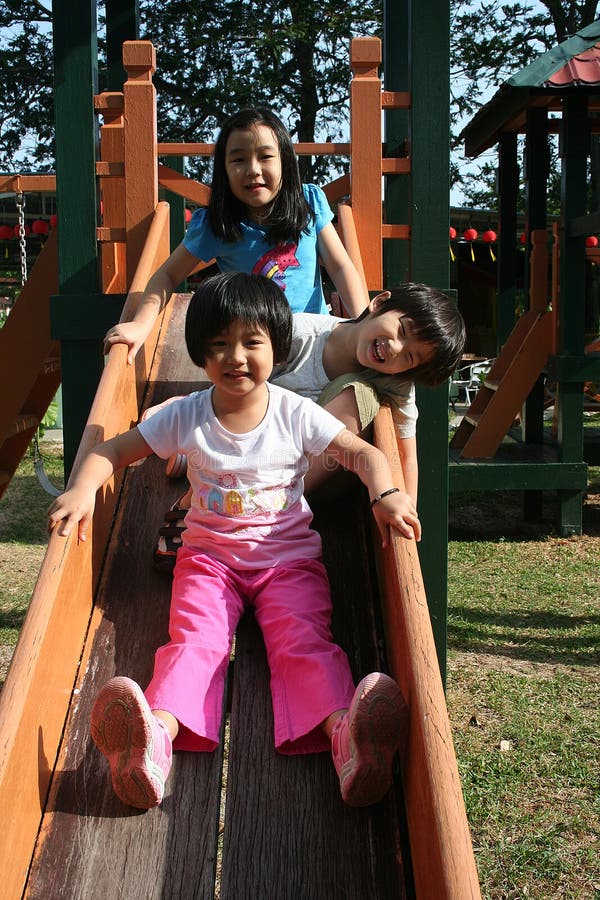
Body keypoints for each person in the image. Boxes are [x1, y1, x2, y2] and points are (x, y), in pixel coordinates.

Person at [48, 272, 415, 811]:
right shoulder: (187, 415)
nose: (235, 356)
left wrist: (386, 493)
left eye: (252, 342)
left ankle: (349, 742)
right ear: (199, 354)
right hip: (207, 563)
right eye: (218, 344)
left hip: (287, 563)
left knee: (304, 644)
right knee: (195, 644)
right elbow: (112, 450)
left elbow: (365, 454)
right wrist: (82, 490)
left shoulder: (295, 413)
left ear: (277, 347)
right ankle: (153, 743)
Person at [151, 282, 466, 571]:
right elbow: (236, 390)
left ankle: (266, 513)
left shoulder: (394, 382)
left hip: (307, 479)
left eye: (410, 357)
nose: (395, 348)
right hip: (251, 453)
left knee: (359, 391)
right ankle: (195, 472)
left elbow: (406, 455)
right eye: (402, 330)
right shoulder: (300, 335)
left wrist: (405, 510)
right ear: (379, 303)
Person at [103, 106, 370, 365]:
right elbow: (167, 274)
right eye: (239, 159)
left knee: (369, 384)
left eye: (265, 157)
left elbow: (340, 266)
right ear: (225, 170)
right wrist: (141, 324)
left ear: (285, 162)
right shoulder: (216, 224)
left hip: (315, 341)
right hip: (257, 352)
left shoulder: (308, 203)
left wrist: (363, 320)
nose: (253, 169)